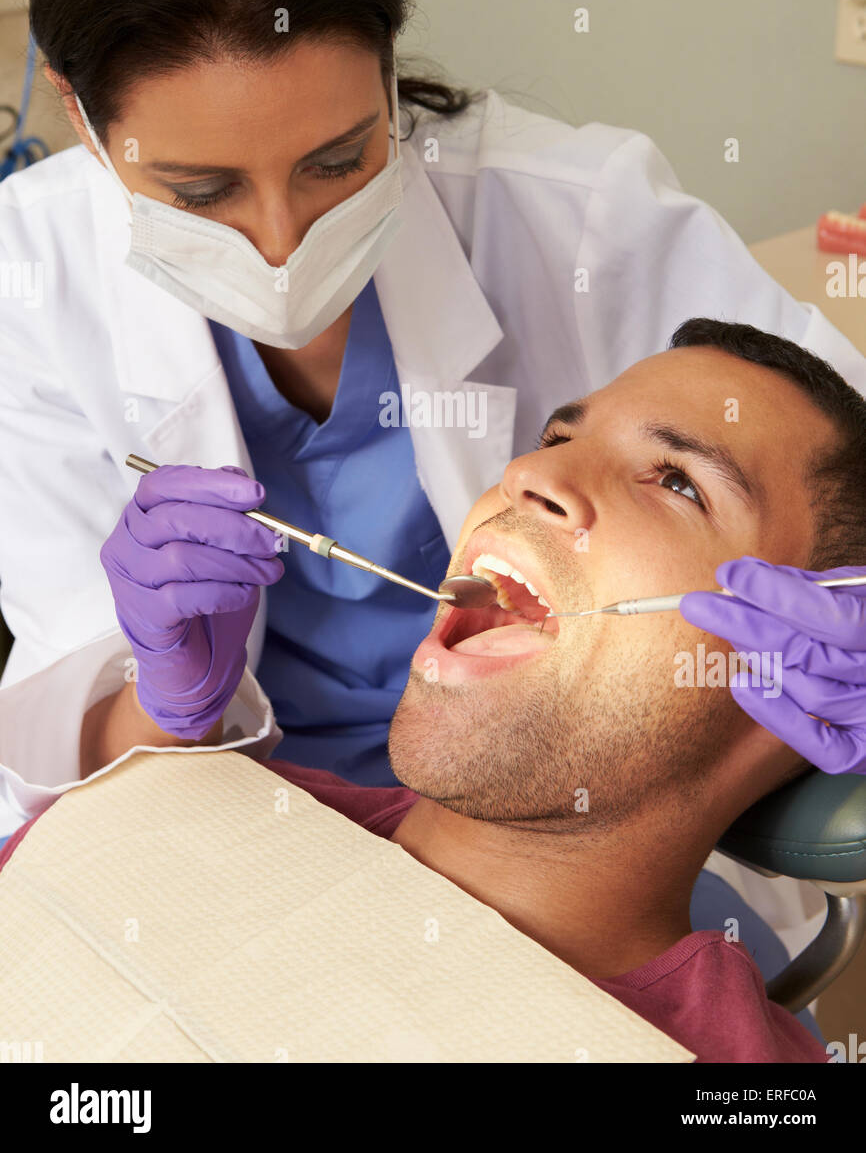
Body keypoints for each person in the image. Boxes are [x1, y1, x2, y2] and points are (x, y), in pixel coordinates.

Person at [1, 0, 865, 963]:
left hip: (558, 861)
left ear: (389, 70)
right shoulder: (29, 283)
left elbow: (830, 472)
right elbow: (68, 726)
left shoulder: (582, 223)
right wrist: (167, 693)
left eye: (336, 159)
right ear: (81, 118)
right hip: (217, 837)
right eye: (200, 194)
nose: (279, 241)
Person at [6, 318, 865, 1062]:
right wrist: (159, 715)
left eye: (678, 480)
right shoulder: (193, 804)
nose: (532, 473)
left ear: (806, 669)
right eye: (560, 437)